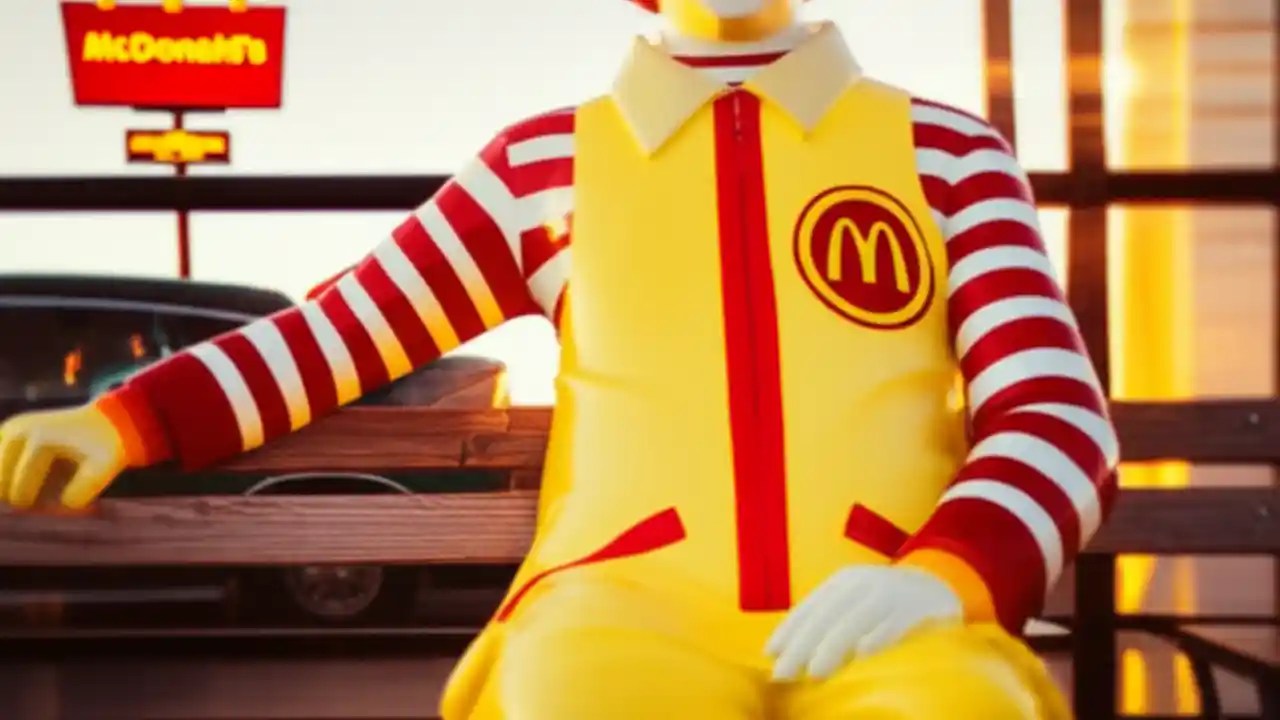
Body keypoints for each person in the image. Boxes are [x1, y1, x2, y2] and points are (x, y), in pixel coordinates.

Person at [0, 1, 1119, 717]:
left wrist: (945, 576)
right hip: (616, 606)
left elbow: (1053, 415)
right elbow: (344, 329)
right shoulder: (544, 162)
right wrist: (126, 418)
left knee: (957, 711)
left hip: (891, 604)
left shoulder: (947, 152)